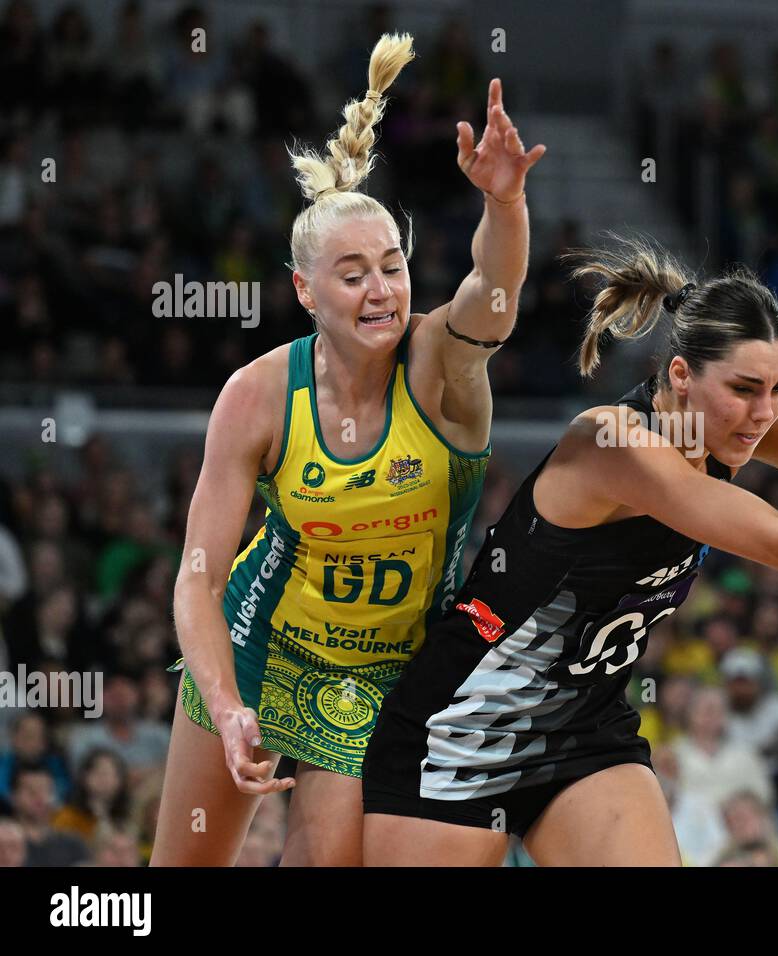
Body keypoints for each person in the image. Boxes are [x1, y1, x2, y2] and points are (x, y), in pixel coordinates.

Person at [362, 235, 778, 865]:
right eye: (745, 389)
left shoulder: (742, 420)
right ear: (681, 375)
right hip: (461, 723)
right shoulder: (614, 442)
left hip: (584, 726)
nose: (764, 412)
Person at [151, 34, 545, 866]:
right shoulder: (257, 395)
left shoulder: (439, 363)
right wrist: (224, 707)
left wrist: (504, 207)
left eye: (393, 267)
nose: (381, 292)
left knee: (326, 858)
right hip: (258, 641)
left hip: (381, 672)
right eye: (353, 273)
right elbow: (199, 576)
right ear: (304, 291)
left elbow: (495, 300)